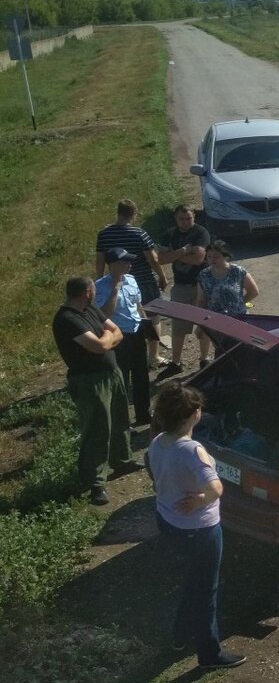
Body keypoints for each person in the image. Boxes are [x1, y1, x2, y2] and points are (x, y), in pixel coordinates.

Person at [146, 382, 245, 669]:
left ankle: (179, 635)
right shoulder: (192, 450)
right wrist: (201, 498)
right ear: (194, 414)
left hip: (168, 520)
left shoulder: (157, 441)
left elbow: (154, 470)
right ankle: (209, 654)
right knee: (206, 591)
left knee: (193, 579)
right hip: (200, 530)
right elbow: (216, 488)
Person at [51, 276, 140, 505]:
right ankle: (95, 482)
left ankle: (123, 459)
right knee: (98, 429)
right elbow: (99, 346)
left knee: (120, 419)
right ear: (88, 293)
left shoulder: (89, 309)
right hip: (90, 381)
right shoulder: (67, 319)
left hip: (112, 374)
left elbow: (116, 331)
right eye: (92, 290)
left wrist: (106, 340)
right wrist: (107, 339)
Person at [95, 198, 168, 366]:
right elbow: (153, 259)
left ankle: (122, 353)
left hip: (114, 281)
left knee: (118, 317)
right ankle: (153, 356)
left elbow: (100, 260)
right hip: (143, 280)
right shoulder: (139, 233)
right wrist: (162, 276)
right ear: (133, 215)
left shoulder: (104, 234)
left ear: (118, 213)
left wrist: (99, 280)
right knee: (152, 317)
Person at [94, 248, 152, 426]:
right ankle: (123, 420)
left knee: (141, 374)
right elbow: (103, 313)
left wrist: (146, 323)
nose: (129, 264)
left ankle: (143, 414)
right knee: (122, 379)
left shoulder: (132, 280)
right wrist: (115, 289)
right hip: (119, 337)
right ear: (113, 265)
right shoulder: (100, 286)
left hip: (136, 333)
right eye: (124, 262)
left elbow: (138, 305)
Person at [157, 205, 210, 379]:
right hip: (180, 286)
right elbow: (161, 259)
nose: (186, 222)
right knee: (178, 326)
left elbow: (198, 259)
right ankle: (176, 363)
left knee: (205, 324)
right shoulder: (170, 234)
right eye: (182, 219)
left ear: (193, 216)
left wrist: (174, 255)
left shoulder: (201, 233)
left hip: (201, 285)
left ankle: (204, 359)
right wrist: (183, 251)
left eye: (189, 218)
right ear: (175, 218)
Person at [195, 240, 260, 365]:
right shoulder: (203, 275)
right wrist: (200, 324)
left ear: (226, 256)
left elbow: (253, 291)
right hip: (215, 321)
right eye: (209, 257)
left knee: (241, 351)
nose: (212, 260)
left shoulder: (238, 271)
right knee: (222, 352)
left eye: (216, 257)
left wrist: (240, 303)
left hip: (238, 319)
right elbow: (201, 301)